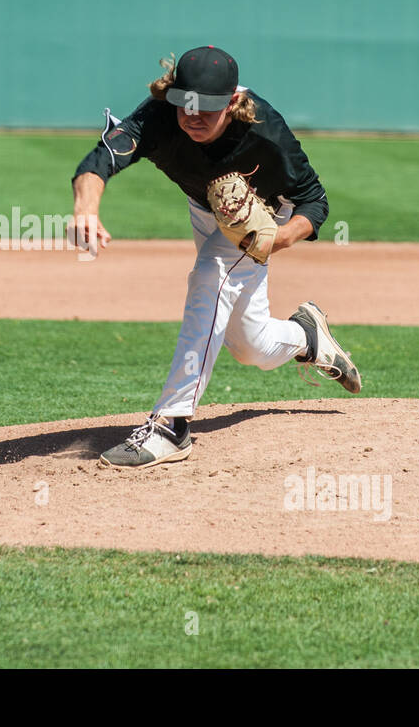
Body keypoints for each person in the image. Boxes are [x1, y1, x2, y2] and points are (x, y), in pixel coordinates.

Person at [71, 45, 361, 469]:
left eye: (207, 108)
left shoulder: (264, 130)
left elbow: (314, 202)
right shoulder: (156, 116)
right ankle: (306, 337)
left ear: (233, 102)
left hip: (261, 218)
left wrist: (275, 240)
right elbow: (101, 160)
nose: (193, 116)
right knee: (251, 347)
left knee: (211, 274)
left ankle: (172, 425)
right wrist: (86, 208)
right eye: (184, 105)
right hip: (205, 209)